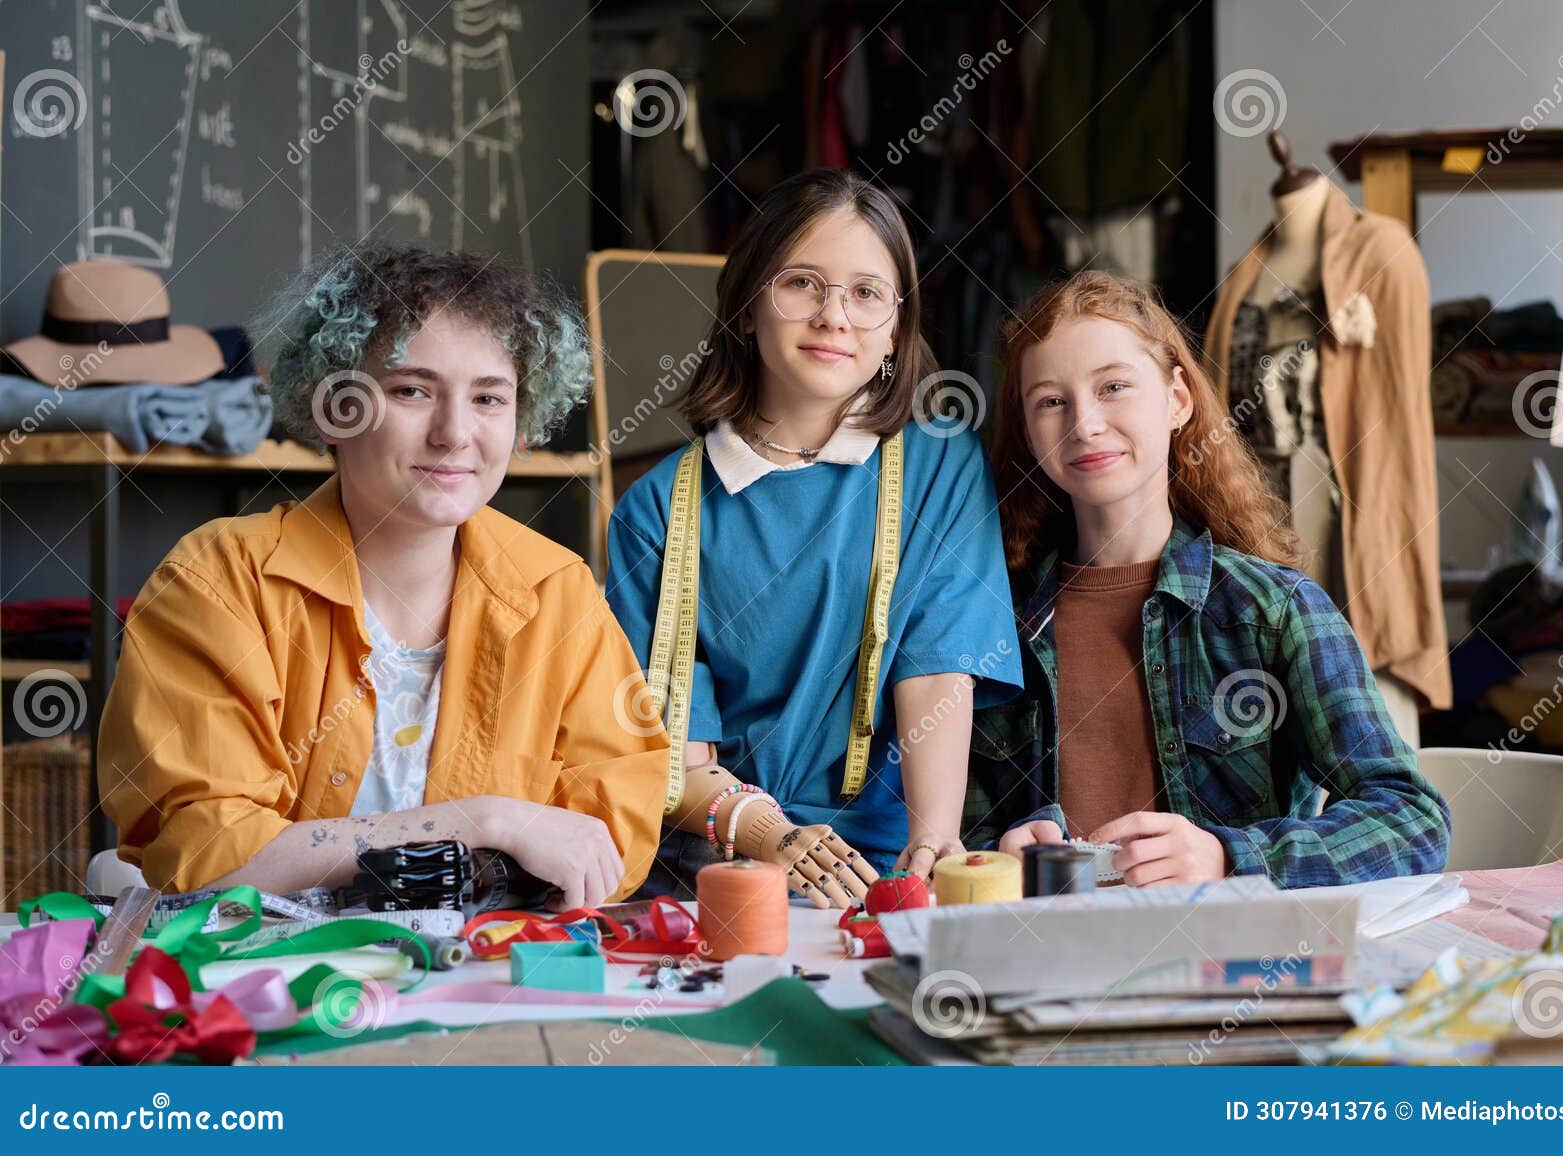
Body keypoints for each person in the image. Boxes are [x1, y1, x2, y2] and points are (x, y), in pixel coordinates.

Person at [98, 244, 669, 906]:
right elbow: (211, 855)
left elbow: (610, 834)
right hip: (266, 981)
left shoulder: (556, 590)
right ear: (334, 405)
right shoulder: (219, 582)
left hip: (482, 975)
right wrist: (484, 823)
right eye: (411, 391)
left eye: (489, 397)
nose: (455, 433)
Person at [605, 169, 1023, 908]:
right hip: (720, 868)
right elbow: (672, 756)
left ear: (895, 326)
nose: (835, 316)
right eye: (802, 283)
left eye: (866, 293)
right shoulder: (657, 509)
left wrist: (933, 840)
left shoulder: (941, 463)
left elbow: (937, 668)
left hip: (891, 866)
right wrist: (777, 840)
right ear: (745, 306)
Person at [966, 270, 1449, 888]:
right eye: (1051, 401)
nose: (1084, 423)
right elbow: (945, 836)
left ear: (1177, 400)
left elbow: (1412, 821)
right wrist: (996, 854)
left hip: (1232, 964)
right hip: (1053, 957)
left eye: (1113, 386)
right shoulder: (990, 620)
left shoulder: (1276, 610)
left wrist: (1227, 856)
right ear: (1029, 430)